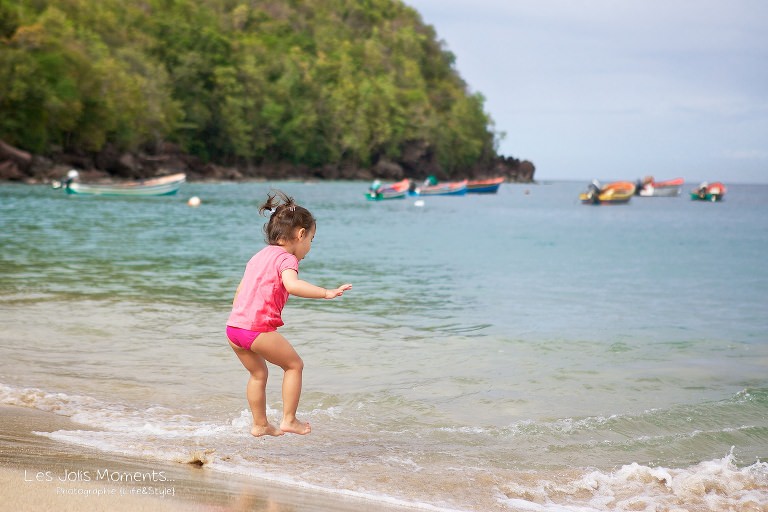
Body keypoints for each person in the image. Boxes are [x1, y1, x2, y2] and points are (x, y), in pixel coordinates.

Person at [226, 190, 352, 437]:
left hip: (234, 329)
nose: (309, 247)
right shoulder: (286, 259)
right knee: (294, 365)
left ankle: (260, 424)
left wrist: (240, 317)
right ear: (301, 234)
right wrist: (326, 292)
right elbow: (292, 285)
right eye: (311, 240)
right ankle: (289, 419)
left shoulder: (258, 256)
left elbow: (240, 290)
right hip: (256, 328)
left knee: (258, 373)